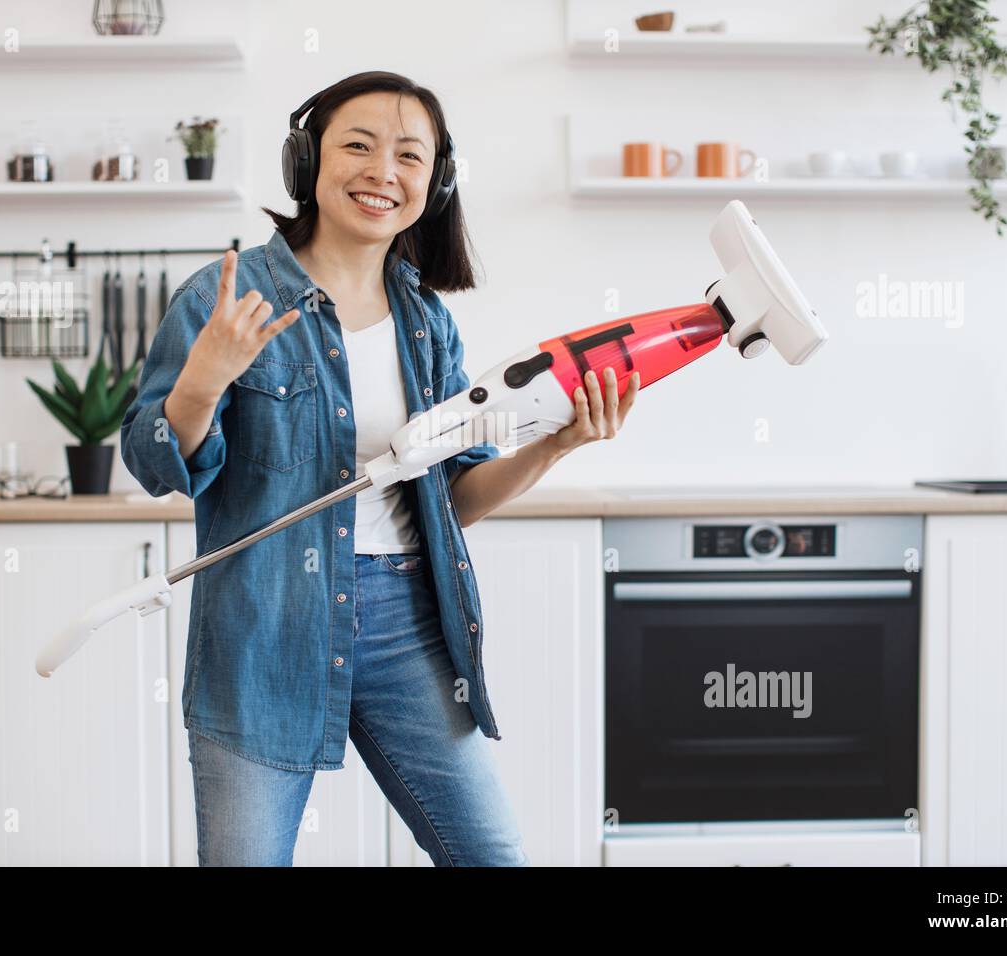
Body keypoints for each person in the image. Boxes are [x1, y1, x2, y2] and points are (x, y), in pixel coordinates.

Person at [120, 70, 639, 866]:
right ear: (307, 161)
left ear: (434, 184)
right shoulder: (226, 297)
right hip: (266, 626)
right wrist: (203, 378)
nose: (382, 172)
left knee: (493, 856)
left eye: (408, 156)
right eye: (357, 146)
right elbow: (158, 465)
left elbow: (452, 498)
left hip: (408, 622)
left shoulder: (427, 322)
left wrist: (556, 444)